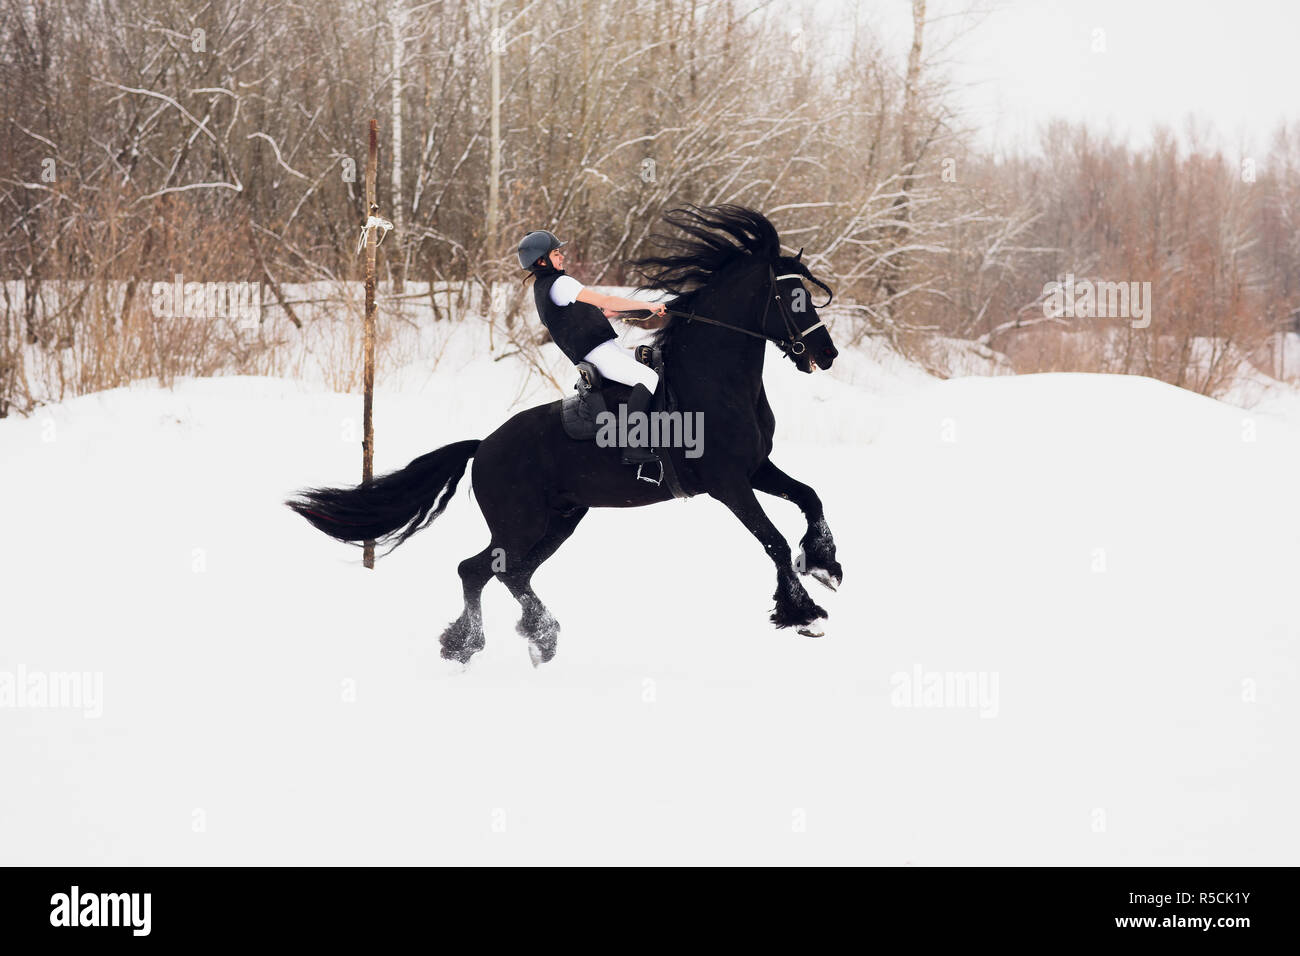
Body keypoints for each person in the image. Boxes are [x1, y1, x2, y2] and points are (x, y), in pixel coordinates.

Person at [517, 229, 667, 468]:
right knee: (647, 377)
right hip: (598, 353)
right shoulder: (560, 283)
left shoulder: (544, 287)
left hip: (603, 349)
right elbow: (606, 301)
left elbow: (600, 310)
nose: (562, 257)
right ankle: (633, 445)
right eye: (556, 253)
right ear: (541, 260)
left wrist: (638, 310)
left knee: (655, 358)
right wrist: (647, 304)